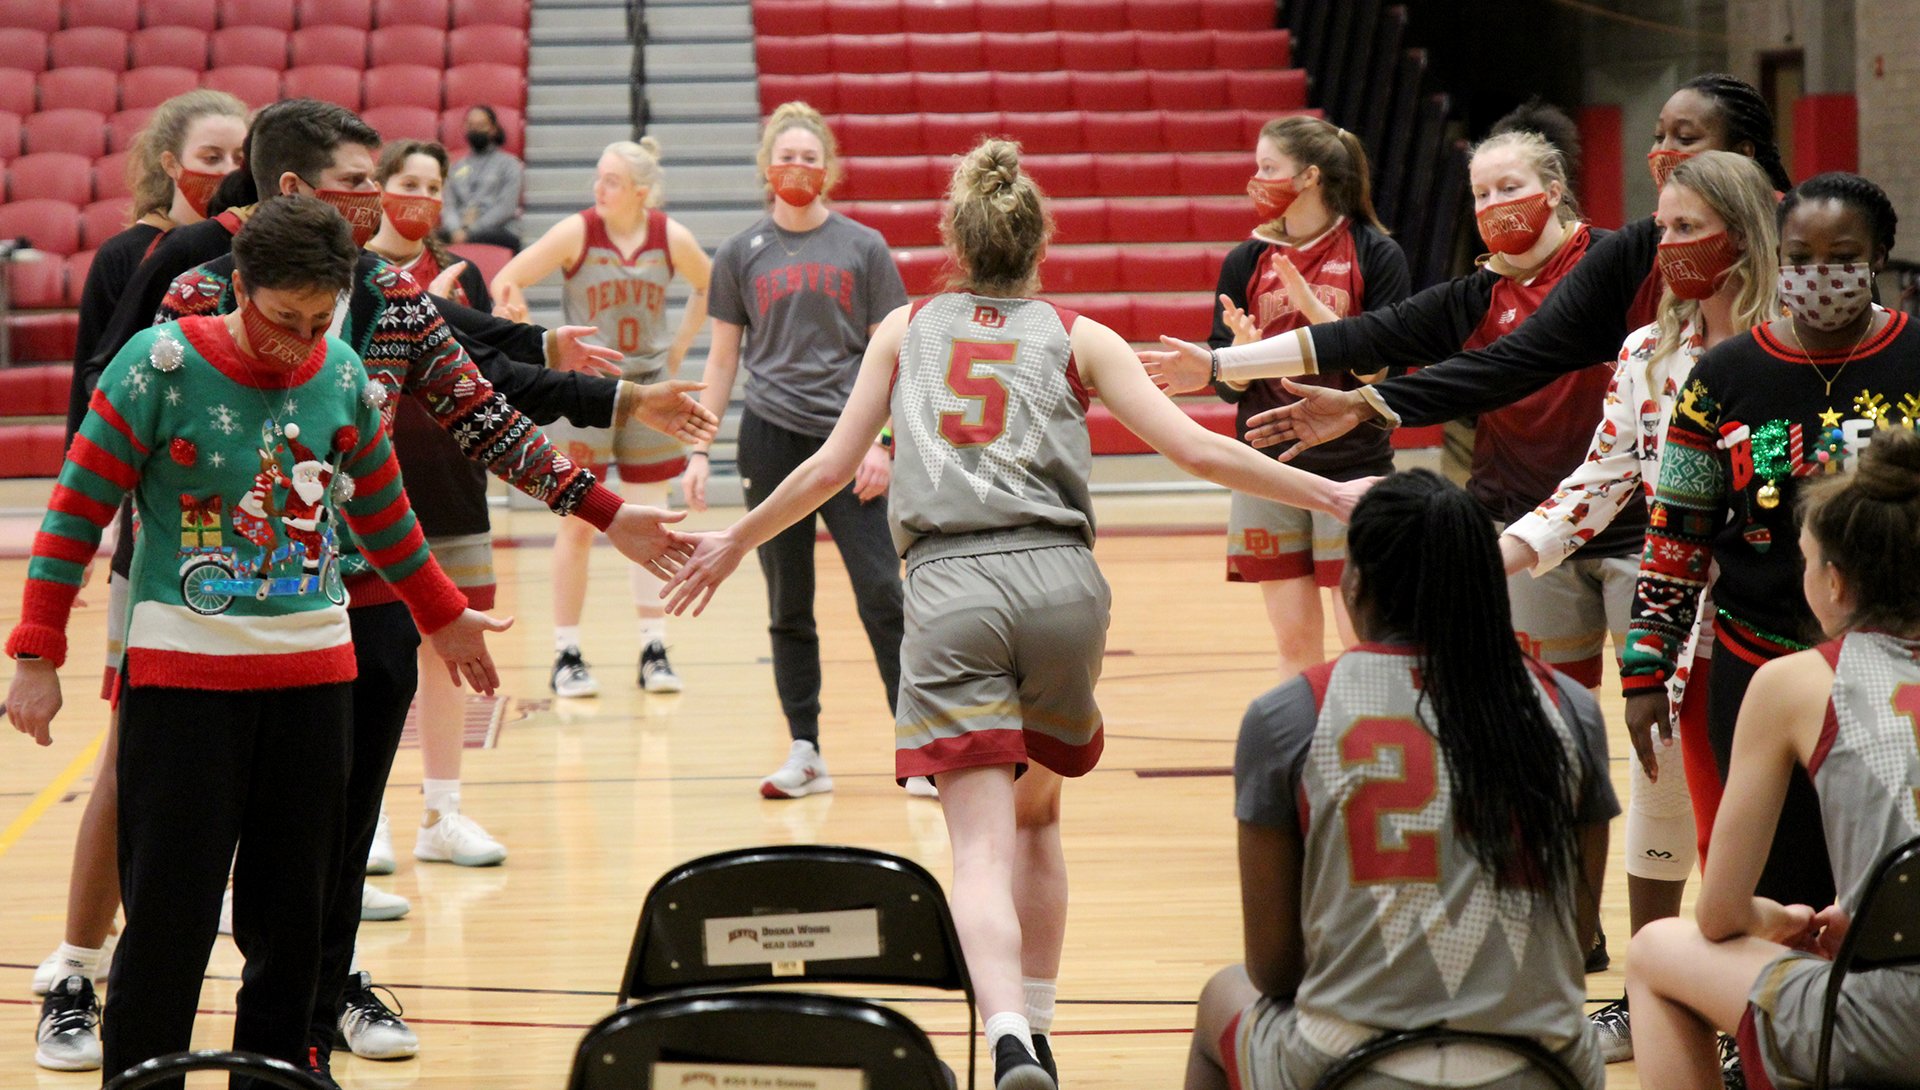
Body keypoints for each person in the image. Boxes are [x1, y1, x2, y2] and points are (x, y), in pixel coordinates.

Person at [661, 138, 1377, 1090]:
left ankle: (1006, 1042)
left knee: (979, 852)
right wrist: (1332, 495)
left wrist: (735, 538)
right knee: (1038, 824)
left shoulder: (904, 328)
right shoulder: (1082, 335)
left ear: (953, 246)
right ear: (1040, 246)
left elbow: (830, 468)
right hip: (1061, 586)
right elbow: (1198, 452)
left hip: (953, 584)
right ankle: (1040, 1029)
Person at [144, 102, 714, 1077]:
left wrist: (606, 510)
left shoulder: (395, 300)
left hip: (361, 615)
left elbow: (485, 415)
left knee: (331, 853)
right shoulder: (195, 293)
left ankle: (303, 1043)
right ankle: (148, 1045)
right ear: (296, 189)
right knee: (198, 865)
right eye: (361, 181)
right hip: (223, 622)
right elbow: (140, 453)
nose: (382, 196)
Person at [9, 195, 514, 1088]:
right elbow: (74, 512)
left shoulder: (342, 371)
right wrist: (36, 654)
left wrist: (442, 613)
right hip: (182, 689)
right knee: (170, 920)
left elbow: (384, 512)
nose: (300, 343)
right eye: (285, 319)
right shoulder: (157, 366)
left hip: (314, 686)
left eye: (320, 322)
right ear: (238, 289)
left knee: (292, 927)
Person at [1184, 468, 1617, 1090]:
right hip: (1541, 1066)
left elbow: (1275, 969)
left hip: (1351, 1068)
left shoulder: (1289, 715)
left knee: (1220, 998)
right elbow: (1574, 940)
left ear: (1355, 583)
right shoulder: (1570, 708)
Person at [1499, 150, 1781, 1061]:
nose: (1667, 246)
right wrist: (1495, 557)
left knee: (1765, 825)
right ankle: (1648, 995)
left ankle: (1767, 1010)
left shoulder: (1792, 349)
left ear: (1742, 235)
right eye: (1662, 228)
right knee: (1662, 800)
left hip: (1782, 626)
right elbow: (1599, 481)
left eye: (1687, 228)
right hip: (1672, 621)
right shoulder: (1646, 355)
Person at [1150, 75, 1791, 454]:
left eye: (1509, 188)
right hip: (1583, 505)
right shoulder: (1624, 288)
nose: (1666, 154)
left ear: (1554, 190)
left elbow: (1800, 409)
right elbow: (1479, 361)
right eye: (1480, 194)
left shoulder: (1798, 247)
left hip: (1753, 468)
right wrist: (1222, 365)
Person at [28, 88, 249, 1073]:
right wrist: (79, 547)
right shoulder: (140, 257)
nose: (228, 169)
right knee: (128, 760)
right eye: (213, 154)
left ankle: (305, 977)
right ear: (169, 162)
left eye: (240, 154)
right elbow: (98, 400)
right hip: (160, 552)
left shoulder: (269, 257)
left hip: (263, 559)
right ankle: (76, 970)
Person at [1623, 172, 1914, 915]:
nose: (1820, 273)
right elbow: (1676, 530)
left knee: (1894, 888)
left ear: (1879, 255)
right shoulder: (1724, 375)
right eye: (1800, 258)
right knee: (1776, 894)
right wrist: (1647, 668)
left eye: (1841, 257)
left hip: (1903, 666)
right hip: (1758, 664)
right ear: (1776, 259)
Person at [1626, 427, 1920, 1089]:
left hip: (1889, 1022)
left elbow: (1720, 915)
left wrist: (1783, 919)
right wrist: (1876, 918)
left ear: (1835, 582)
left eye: (1807, 560)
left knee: (1653, 950)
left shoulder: (1794, 682)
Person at [681, 101, 918, 798]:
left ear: (828, 169)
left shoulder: (864, 247)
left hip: (849, 441)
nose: (797, 167)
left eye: (809, 158)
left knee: (883, 593)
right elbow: (722, 361)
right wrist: (700, 449)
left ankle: (919, 747)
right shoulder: (739, 252)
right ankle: (805, 750)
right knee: (789, 602)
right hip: (770, 438)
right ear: (766, 166)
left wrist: (884, 443)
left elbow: (895, 355)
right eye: (786, 156)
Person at [490, 138, 711, 698]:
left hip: (649, 391)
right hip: (586, 393)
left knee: (655, 519)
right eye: (597, 177)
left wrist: (678, 349)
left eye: (611, 180)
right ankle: (566, 653)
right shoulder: (578, 232)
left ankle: (654, 648)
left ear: (640, 192)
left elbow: (710, 285)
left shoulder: (671, 237)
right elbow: (507, 278)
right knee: (577, 522)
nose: (598, 188)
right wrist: (522, 326)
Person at [1206, 115, 1408, 682]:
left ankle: (1373, 734)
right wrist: (1239, 356)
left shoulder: (1376, 254)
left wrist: (1318, 315)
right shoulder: (1245, 260)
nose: (1256, 179)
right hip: (1266, 468)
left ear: (1309, 176)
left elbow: (1387, 372)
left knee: (1362, 639)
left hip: (1354, 465)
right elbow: (1223, 381)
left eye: (1269, 168)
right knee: (1294, 642)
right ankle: (1305, 739)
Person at [440, 105, 524, 252]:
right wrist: (455, 229)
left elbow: (506, 208)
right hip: (458, 229)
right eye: (471, 126)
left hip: (497, 230)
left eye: (481, 125)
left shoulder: (510, 165)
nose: (475, 130)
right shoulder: (455, 168)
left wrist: (472, 230)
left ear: (493, 129)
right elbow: (448, 206)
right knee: (428, 239)